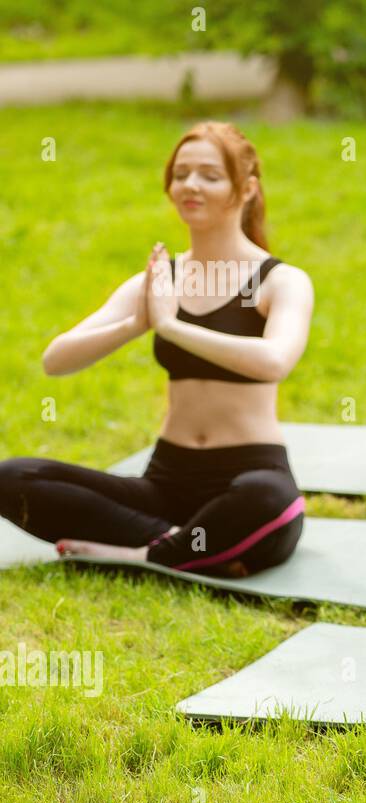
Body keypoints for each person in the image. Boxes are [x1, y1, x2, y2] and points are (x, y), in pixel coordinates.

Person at [0, 122, 314, 577]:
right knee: (13, 477)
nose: (190, 185)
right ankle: (188, 547)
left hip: (248, 475)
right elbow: (57, 360)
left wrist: (171, 325)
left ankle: (140, 554)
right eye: (181, 173)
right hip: (166, 484)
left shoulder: (280, 281)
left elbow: (274, 361)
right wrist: (138, 322)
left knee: (265, 500)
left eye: (209, 175)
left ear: (246, 189)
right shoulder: (159, 280)